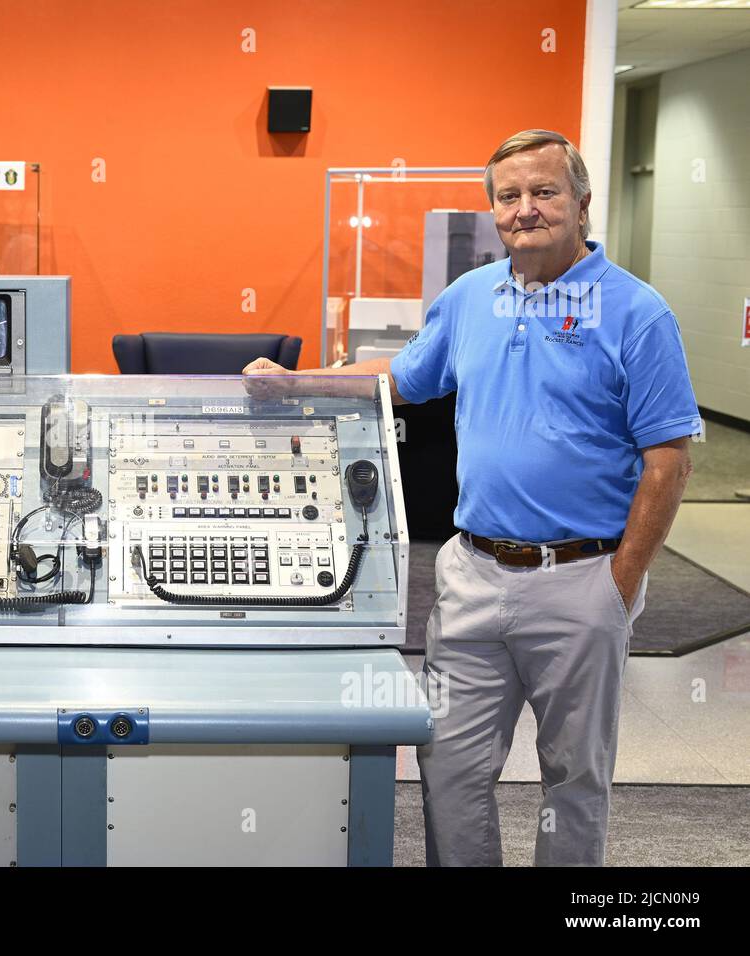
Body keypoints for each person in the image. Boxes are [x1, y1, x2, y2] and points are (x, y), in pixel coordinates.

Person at [245, 129, 700, 866]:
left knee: (575, 777)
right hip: (473, 577)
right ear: (493, 210)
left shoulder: (636, 313)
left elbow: (668, 461)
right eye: (509, 196)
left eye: (544, 191)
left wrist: (620, 586)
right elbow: (399, 380)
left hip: (581, 578)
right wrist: (294, 382)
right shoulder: (469, 298)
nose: (526, 209)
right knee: (448, 765)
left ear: (582, 202)